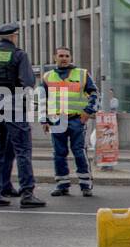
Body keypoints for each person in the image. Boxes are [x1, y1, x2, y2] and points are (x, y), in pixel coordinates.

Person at [0, 22, 45, 209]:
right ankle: (27, 193)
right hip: (14, 108)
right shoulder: (18, 55)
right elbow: (28, 81)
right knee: (22, 151)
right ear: (14, 36)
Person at [41, 47, 98, 197]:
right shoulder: (48, 76)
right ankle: (62, 184)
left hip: (76, 120)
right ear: (55, 58)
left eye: (67, 56)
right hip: (56, 120)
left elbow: (94, 93)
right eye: (61, 56)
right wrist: (43, 120)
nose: (64, 58)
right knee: (59, 153)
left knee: (79, 152)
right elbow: (42, 99)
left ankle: (86, 184)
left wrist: (88, 111)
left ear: (71, 57)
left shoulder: (82, 74)